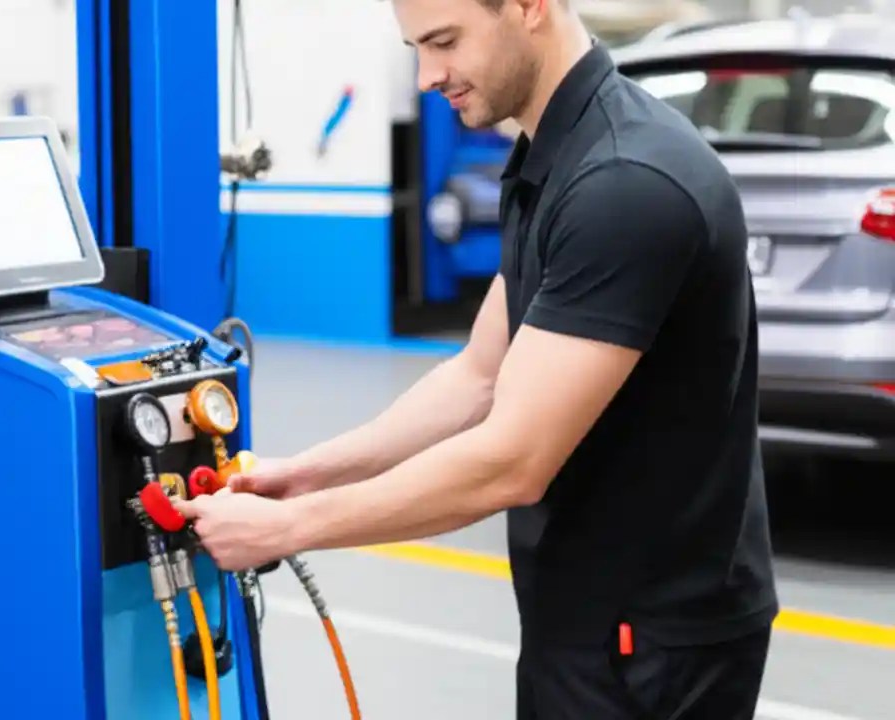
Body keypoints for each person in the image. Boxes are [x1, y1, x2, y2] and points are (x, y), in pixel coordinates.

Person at [174, 0, 779, 717]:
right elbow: (479, 375)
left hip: (650, 635)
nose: (428, 76)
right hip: (589, 610)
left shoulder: (625, 183)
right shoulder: (555, 156)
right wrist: (300, 476)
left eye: (444, 42)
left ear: (529, 9)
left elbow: (512, 460)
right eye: (415, 48)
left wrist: (289, 529)